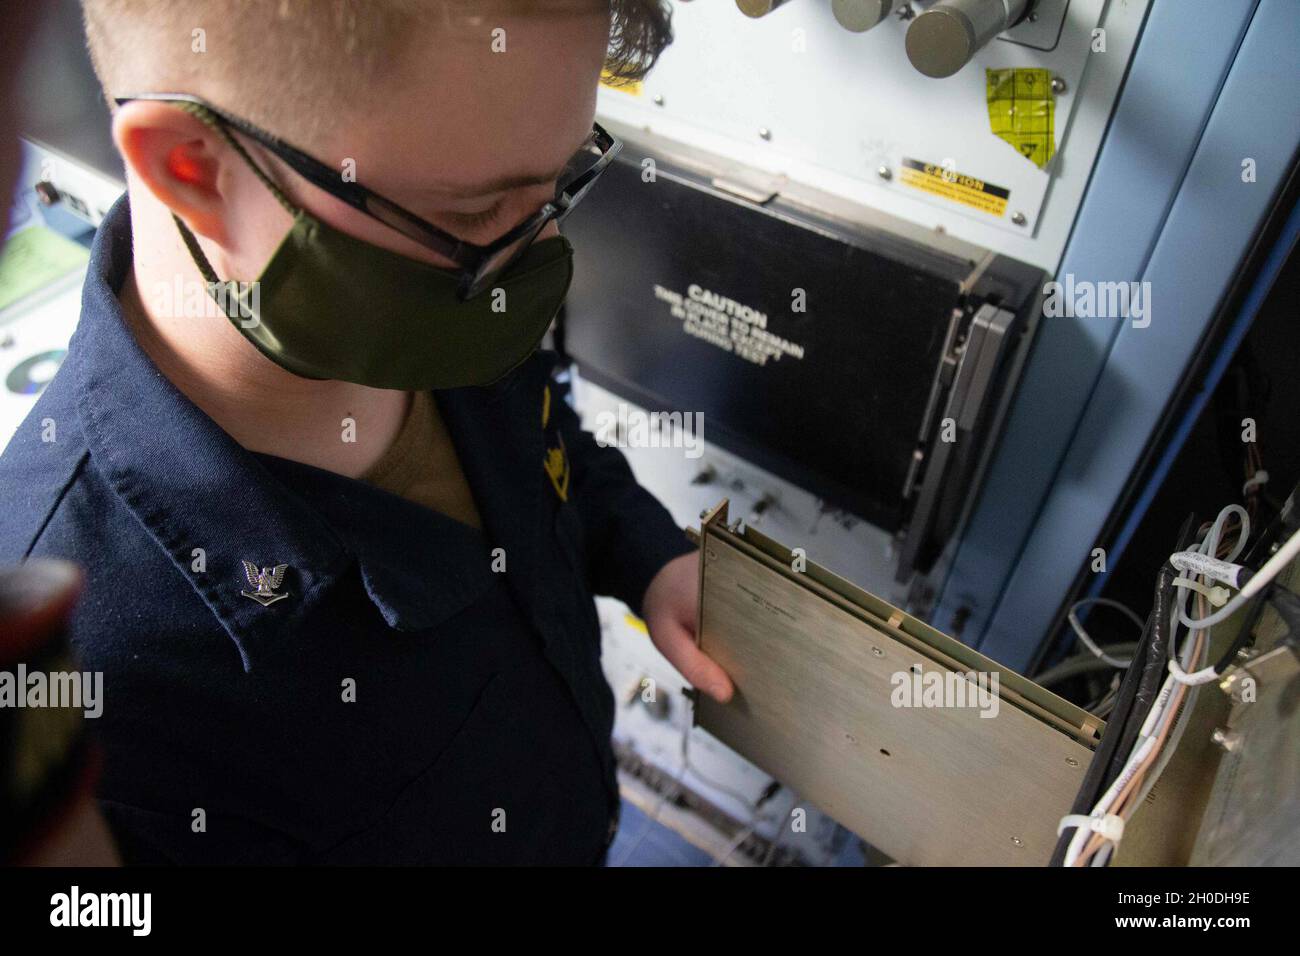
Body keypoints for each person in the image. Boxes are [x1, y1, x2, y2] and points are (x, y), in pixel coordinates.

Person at [0, 0, 732, 865]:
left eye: (560, 186)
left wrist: (647, 556)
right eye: (473, 215)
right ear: (191, 169)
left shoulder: (425, 297)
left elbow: (548, 438)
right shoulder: (92, 695)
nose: (535, 257)